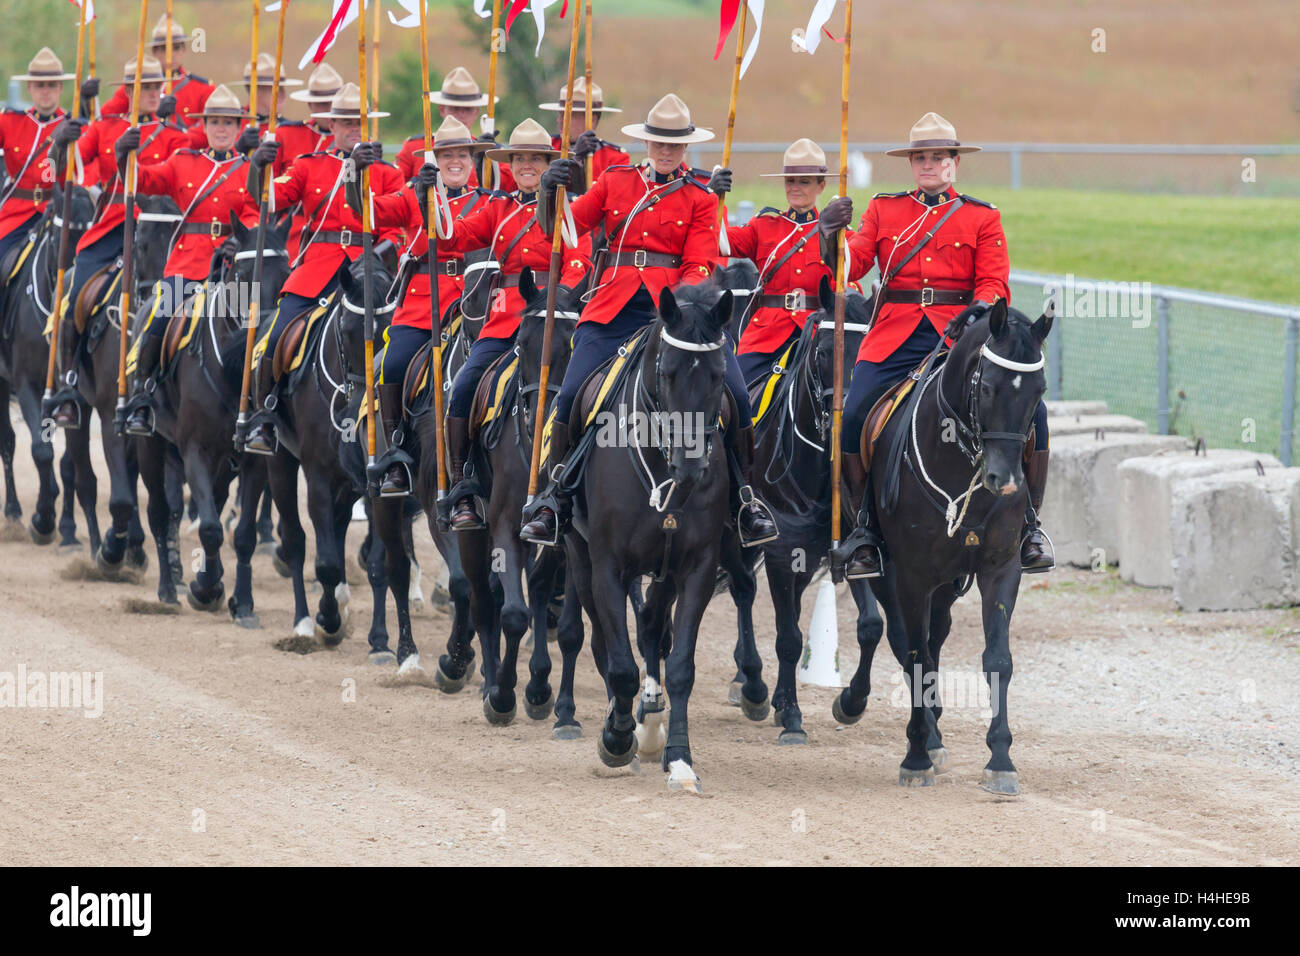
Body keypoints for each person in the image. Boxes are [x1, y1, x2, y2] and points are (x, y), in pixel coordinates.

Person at [518, 93, 777, 548]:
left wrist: (686, 306)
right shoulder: (615, 182)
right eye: (659, 142)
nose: (665, 151)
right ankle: (553, 498)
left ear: (684, 148)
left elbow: (700, 262)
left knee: (736, 394)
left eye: (674, 145)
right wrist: (549, 192)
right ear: (647, 143)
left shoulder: (699, 196)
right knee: (572, 393)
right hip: (612, 309)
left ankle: (744, 499)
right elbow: (563, 229)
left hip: (674, 315)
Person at [823, 112, 1052, 578]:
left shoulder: (981, 216)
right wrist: (832, 234)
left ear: (954, 163)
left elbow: (994, 282)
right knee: (854, 415)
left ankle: (1028, 524)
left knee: (1035, 416)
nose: (928, 165)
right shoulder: (885, 210)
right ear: (912, 164)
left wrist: (979, 310)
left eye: (938, 157)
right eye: (920, 158)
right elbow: (851, 267)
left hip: (961, 337)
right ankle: (865, 528)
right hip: (894, 335)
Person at [426, 118, 590, 528]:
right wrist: (432, 197)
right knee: (463, 387)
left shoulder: (567, 209)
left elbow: (578, 263)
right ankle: (464, 484)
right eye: (520, 159)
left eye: (536, 158)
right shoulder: (496, 208)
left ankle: (583, 479)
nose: (527, 165)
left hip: (556, 322)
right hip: (503, 320)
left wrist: (558, 301)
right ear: (510, 165)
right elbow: (452, 237)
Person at [239, 83, 404, 456]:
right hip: (317, 269)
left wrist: (374, 255)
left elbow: (398, 229)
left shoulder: (386, 172)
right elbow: (268, 199)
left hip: (369, 275)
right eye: (345, 122)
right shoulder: (309, 165)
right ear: (331, 124)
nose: (352, 129)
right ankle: (266, 415)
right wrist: (258, 166)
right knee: (278, 333)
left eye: (358, 122)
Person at [347, 116, 492, 496]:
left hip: (475, 300)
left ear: (473, 160)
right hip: (424, 299)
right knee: (394, 363)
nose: (456, 161)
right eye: (447, 156)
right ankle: (396, 448)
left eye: (463, 154)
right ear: (436, 159)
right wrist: (356, 172)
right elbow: (368, 213)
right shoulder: (414, 195)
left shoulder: (489, 200)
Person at [47, 56, 191, 426]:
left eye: (157, 87)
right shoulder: (106, 126)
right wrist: (60, 144)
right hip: (114, 227)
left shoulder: (176, 135)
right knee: (75, 298)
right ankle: (69, 382)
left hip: (163, 233)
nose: (152, 94)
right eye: (145, 88)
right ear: (128, 91)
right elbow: (70, 170)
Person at [118, 85, 258, 436]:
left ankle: (256, 406)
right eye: (215, 122)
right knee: (158, 320)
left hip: (230, 272)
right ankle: (143, 395)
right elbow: (145, 182)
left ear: (238, 128)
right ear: (205, 126)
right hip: (186, 266)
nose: (222, 129)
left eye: (228, 122)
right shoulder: (184, 161)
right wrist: (126, 156)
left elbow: (256, 216)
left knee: (248, 330)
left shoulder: (247, 170)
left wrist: (239, 241)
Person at [715, 138, 846, 384]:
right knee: (733, 390)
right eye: (790, 181)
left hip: (816, 334)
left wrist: (835, 231)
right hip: (767, 333)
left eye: (804, 181)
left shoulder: (836, 233)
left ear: (821, 186)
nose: (795, 187)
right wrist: (712, 198)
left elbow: (850, 273)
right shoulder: (764, 226)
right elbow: (718, 242)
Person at [0, 48, 77, 277]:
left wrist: (62, 146)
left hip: (57, 213)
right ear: (30, 88)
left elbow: (63, 177)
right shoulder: (10, 121)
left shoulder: (72, 127)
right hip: (18, 214)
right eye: (40, 85)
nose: (46, 91)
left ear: (60, 88)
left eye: (51, 85)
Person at [94, 15, 213, 128]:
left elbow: (208, 128)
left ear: (183, 50)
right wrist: (87, 102)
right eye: (164, 48)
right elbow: (105, 119)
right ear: (154, 52)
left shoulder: (203, 88)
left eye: (176, 48)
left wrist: (179, 135)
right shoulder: (135, 85)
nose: (170, 53)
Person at [394, 67, 499, 184]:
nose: (461, 115)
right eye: (455, 108)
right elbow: (395, 188)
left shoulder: (487, 151)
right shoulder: (414, 147)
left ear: (476, 112)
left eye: (468, 109)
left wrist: (492, 161)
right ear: (441, 109)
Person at [536, 76, 628, 192]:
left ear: (592, 120)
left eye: (569, 115)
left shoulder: (614, 157)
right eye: (560, 114)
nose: (560, 120)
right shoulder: (547, 147)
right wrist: (575, 156)